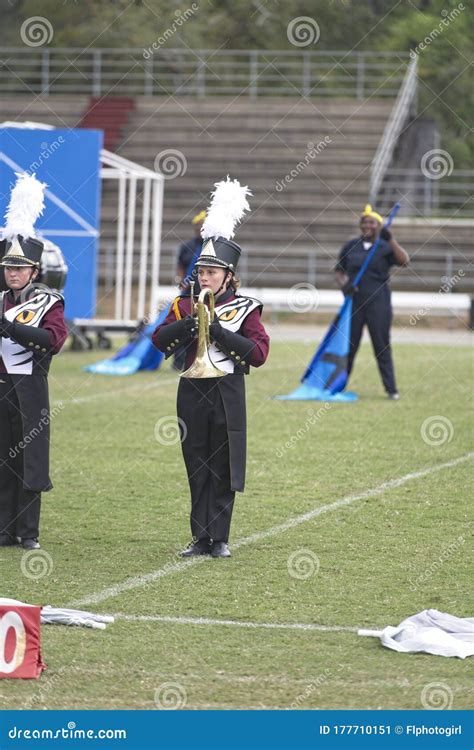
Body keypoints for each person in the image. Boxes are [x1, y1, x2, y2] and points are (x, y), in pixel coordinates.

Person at [153, 178, 269, 558]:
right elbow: (158, 341)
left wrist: (218, 331)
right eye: (201, 272)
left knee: (223, 465)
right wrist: (188, 325)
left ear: (229, 276)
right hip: (191, 390)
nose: (204, 277)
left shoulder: (247, 308)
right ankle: (199, 536)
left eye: (212, 273)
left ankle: (219, 538)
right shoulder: (184, 304)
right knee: (196, 463)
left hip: (227, 391)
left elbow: (258, 353)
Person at [0, 174, 68, 550]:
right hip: (1, 389)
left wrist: (11, 329)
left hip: (29, 388)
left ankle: (28, 532)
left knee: (30, 460)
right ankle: (4, 528)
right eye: (9, 268)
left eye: (20, 268)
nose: (13, 273)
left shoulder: (48, 302)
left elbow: (53, 341)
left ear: (34, 271)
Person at [335, 204, 409, 399]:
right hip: (355, 303)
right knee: (349, 347)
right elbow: (339, 270)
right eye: (364, 222)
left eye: (372, 222)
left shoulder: (385, 247)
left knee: (381, 346)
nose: (367, 225)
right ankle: (338, 386)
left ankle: (391, 389)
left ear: (379, 226)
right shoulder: (351, 245)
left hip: (379, 304)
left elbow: (404, 261)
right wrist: (344, 285)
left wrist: (390, 239)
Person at [172, 210, 206, 371]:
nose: (201, 228)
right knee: (182, 327)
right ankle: (178, 362)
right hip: (187, 294)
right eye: (199, 225)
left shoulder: (212, 246)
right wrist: (181, 282)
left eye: (204, 226)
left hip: (206, 295)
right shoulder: (186, 247)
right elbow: (180, 266)